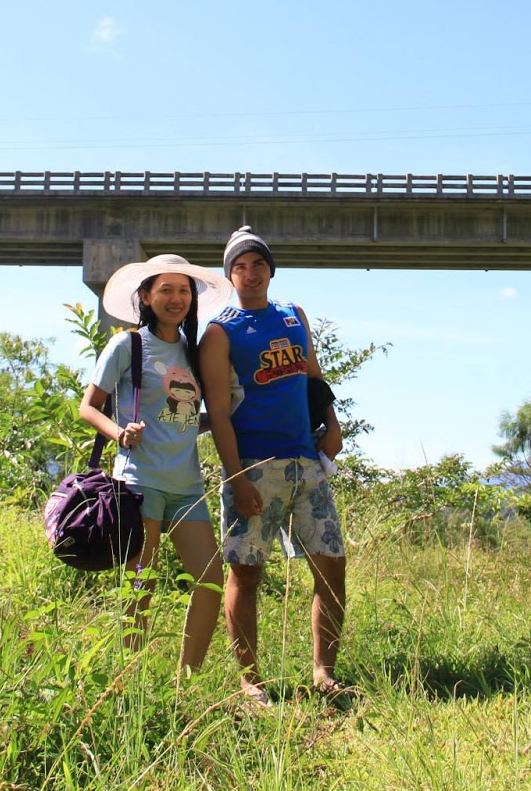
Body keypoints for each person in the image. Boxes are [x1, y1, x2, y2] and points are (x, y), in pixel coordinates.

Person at [200, 226, 348, 706]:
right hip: (254, 464)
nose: (250, 273)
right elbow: (219, 413)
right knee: (245, 571)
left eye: (258, 264)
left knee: (332, 567)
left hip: (307, 462)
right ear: (229, 275)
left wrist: (331, 423)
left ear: (270, 270)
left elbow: (313, 377)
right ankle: (250, 680)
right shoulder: (220, 332)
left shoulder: (292, 316)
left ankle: (324, 671)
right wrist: (236, 477)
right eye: (239, 266)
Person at [77, 253, 233, 674]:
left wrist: (212, 417)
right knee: (139, 585)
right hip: (138, 482)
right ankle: (133, 681)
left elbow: (181, 417)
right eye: (165, 289)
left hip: (186, 486)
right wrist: (119, 433)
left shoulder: (193, 351)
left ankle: (188, 678)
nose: (176, 298)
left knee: (210, 579)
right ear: (145, 297)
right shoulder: (127, 344)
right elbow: (88, 407)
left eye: (183, 290)